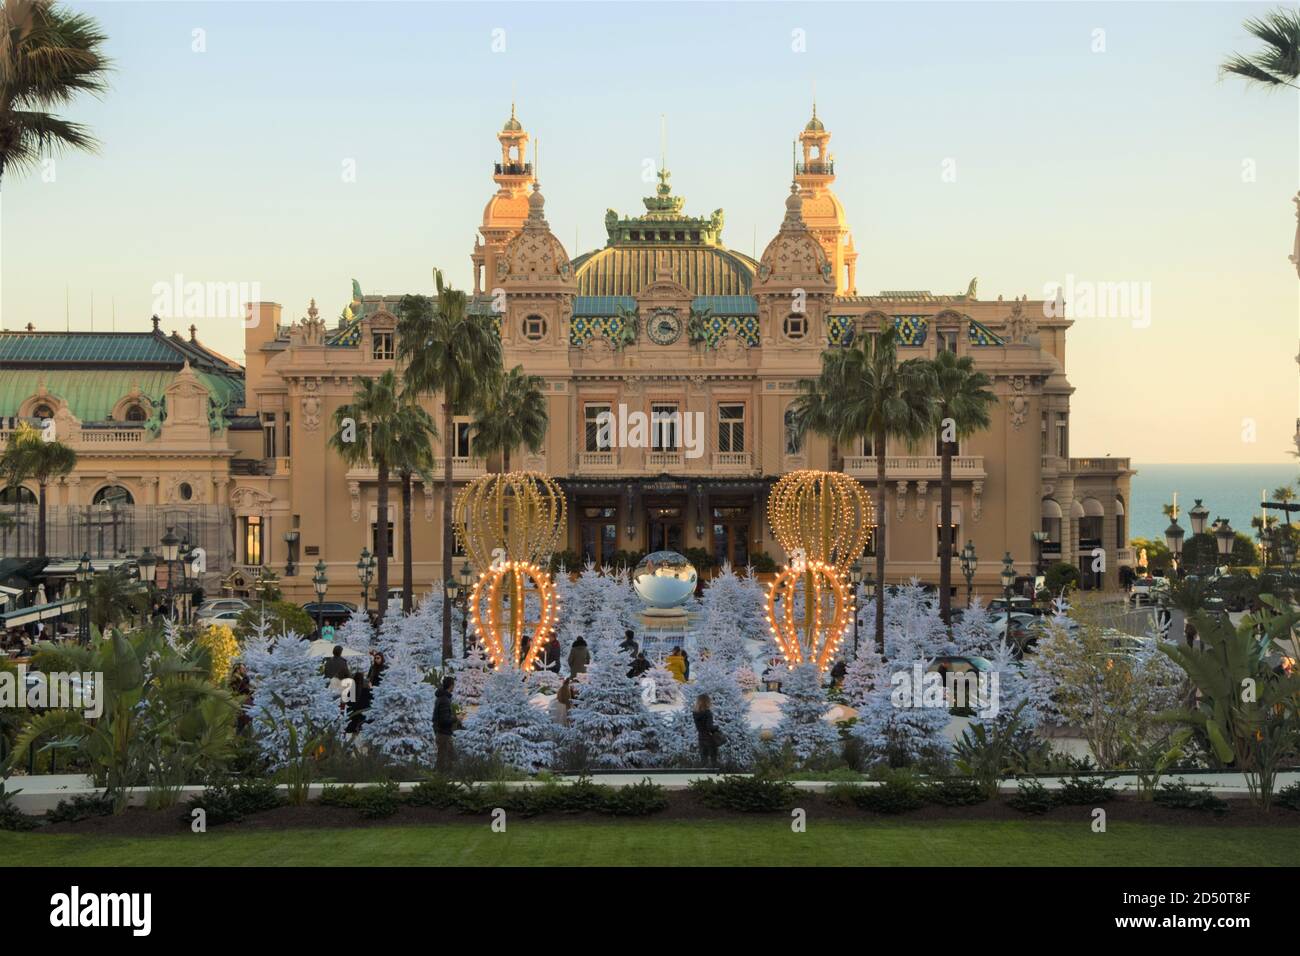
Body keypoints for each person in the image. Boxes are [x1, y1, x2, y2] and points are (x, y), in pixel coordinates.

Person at [434, 676, 457, 772]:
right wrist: (456, 718)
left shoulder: (442, 698)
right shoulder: (444, 700)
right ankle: (441, 779)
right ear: (451, 685)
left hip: (443, 733)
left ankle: (445, 779)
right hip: (444, 734)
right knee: (445, 758)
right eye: (453, 685)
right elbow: (444, 720)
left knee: (449, 757)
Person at [693, 693, 722, 769]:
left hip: (701, 737)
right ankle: (714, 777)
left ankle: (703, 778)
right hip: (709, 738)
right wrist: (717, 727)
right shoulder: (708, 713)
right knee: (713, 759)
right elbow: (709, 727)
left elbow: (699, 727)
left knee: (703, 759)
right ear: (707, 702)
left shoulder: (695, 713)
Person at [346, 670, 372, 734]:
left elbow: (348, 704)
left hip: (353, 717)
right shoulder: (366, 691)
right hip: (365, 717)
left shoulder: (351, 691)